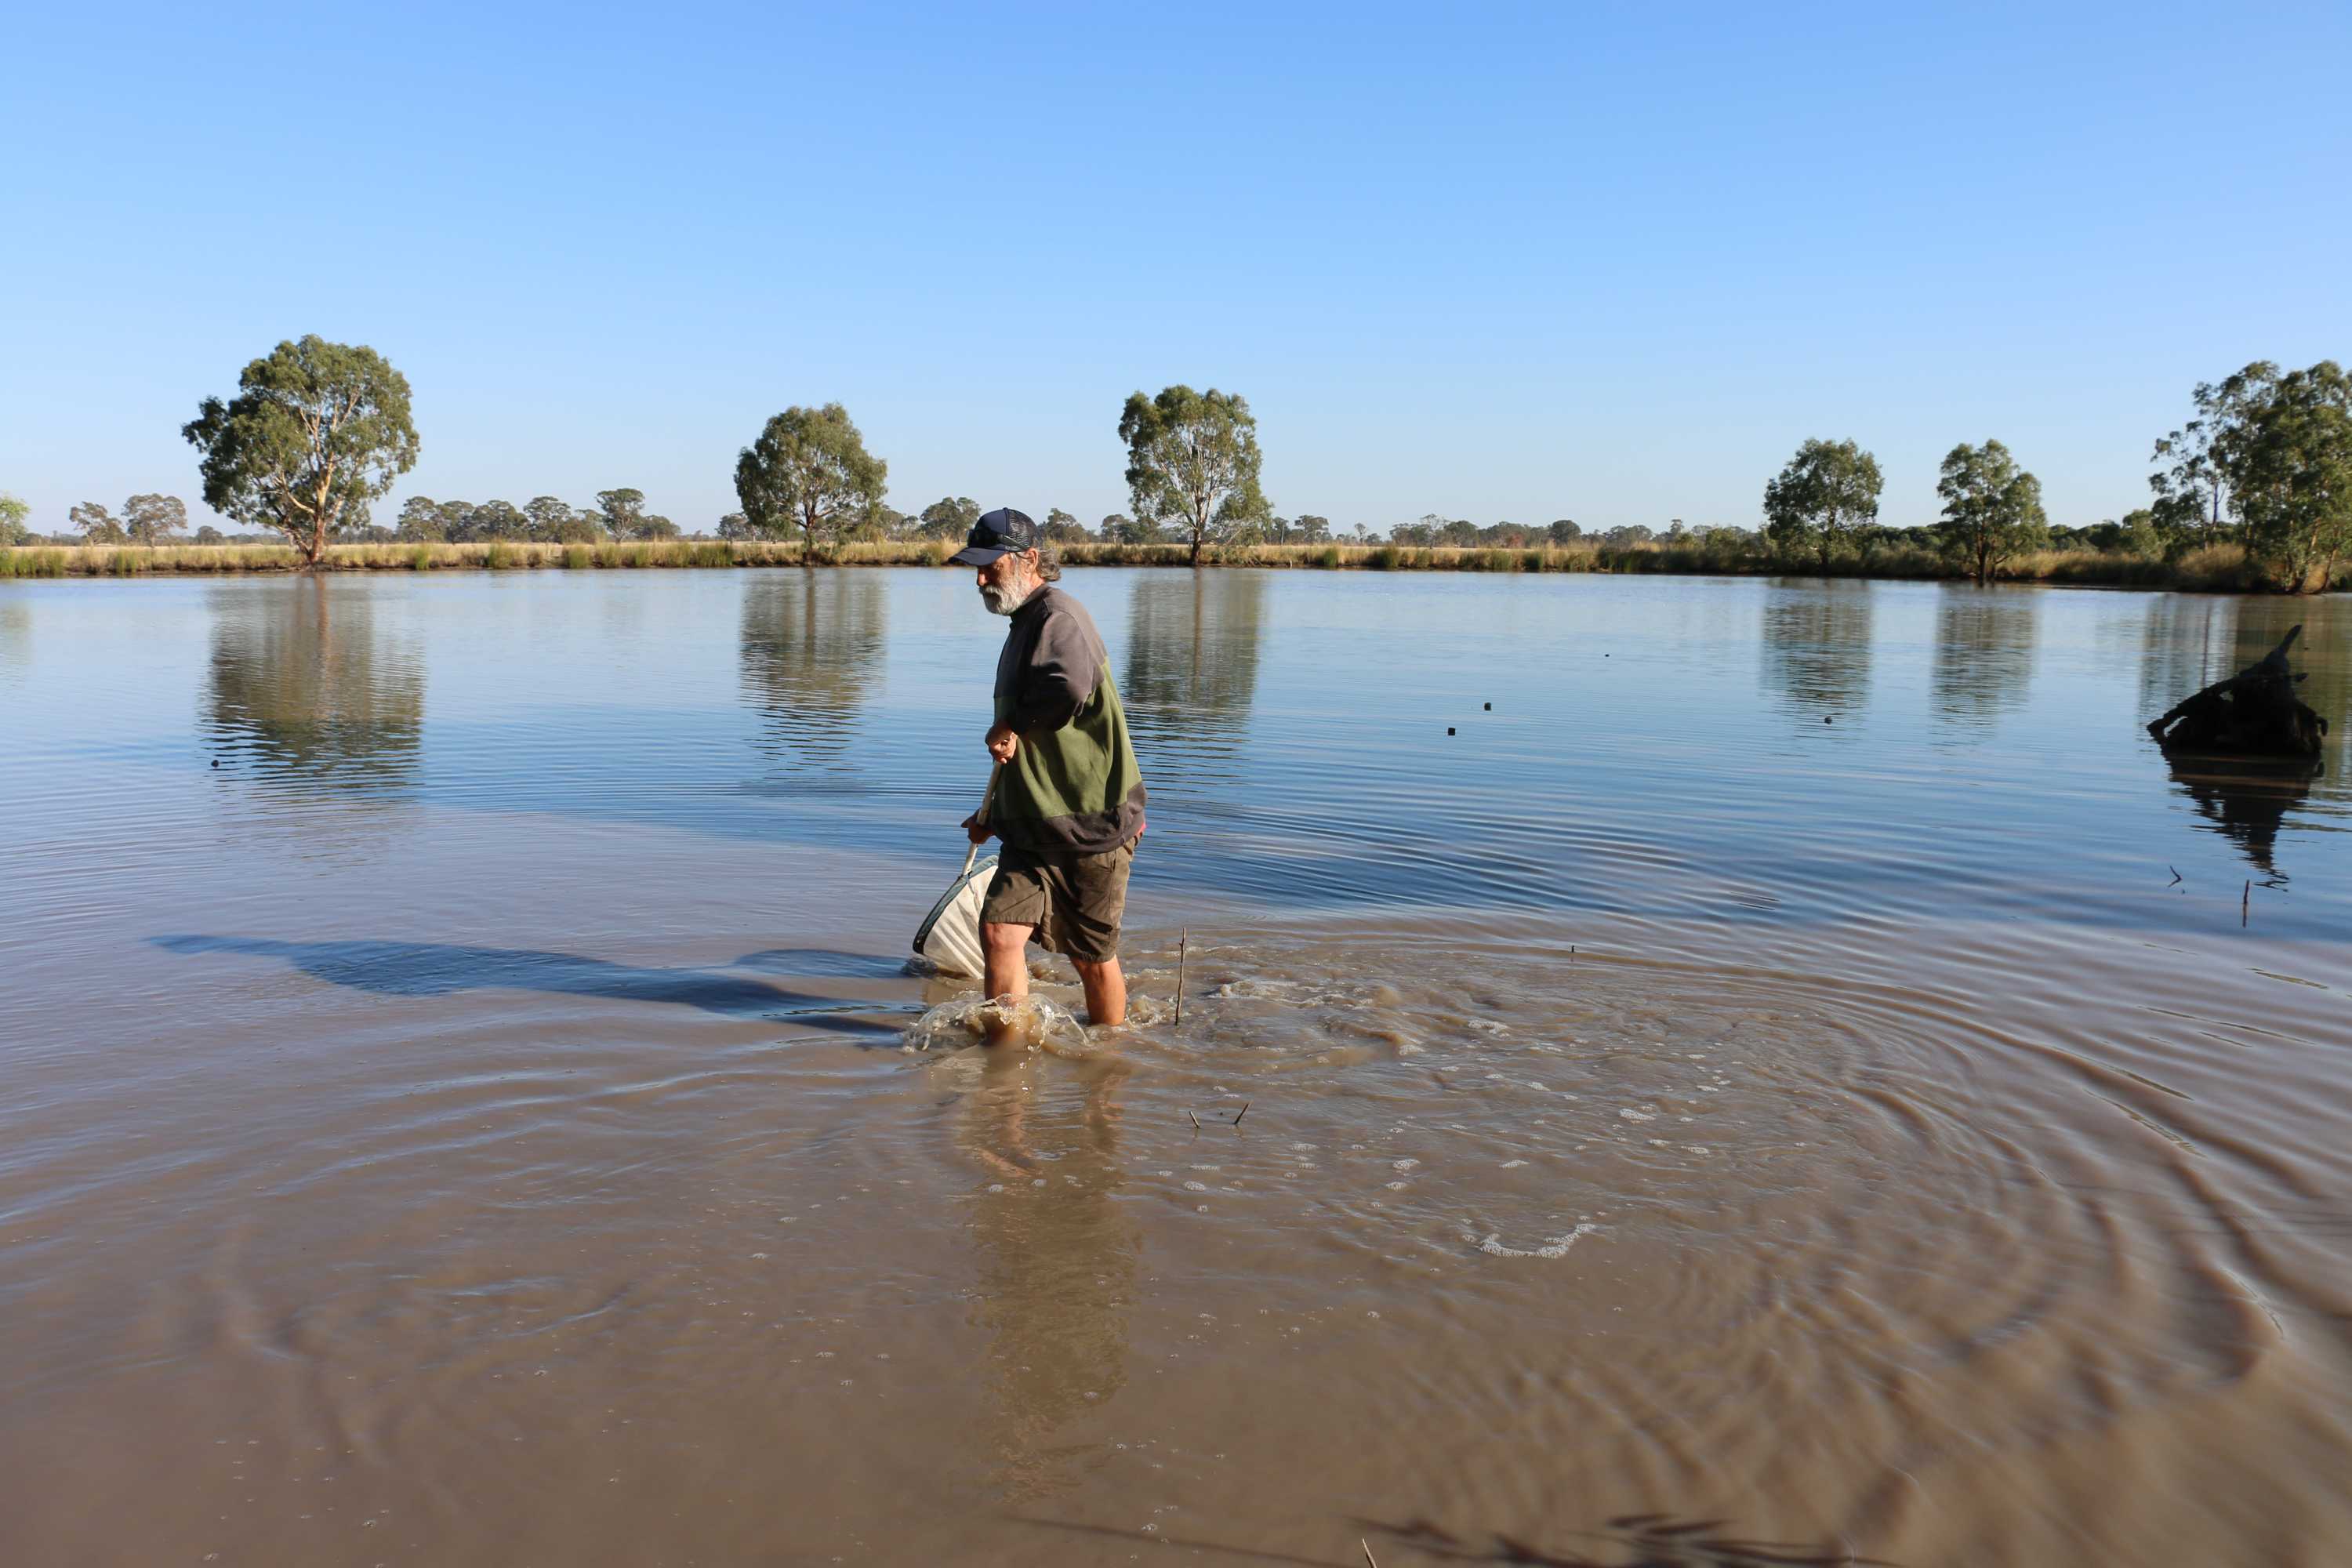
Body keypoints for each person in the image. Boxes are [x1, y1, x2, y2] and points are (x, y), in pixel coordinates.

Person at [950, 507, 1147, 1034]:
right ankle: (1006, 1060)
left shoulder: (1058, 618)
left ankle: (1107, 1067)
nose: (979, 579)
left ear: (1028, 559)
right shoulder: (1024, 623)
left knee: (1090, 957)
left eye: (989, 566)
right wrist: (995, 814)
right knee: (998, 934)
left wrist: (1010, 721)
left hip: (1092, 824)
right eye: (975, 567)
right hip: (1035, 828)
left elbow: (1067, 691)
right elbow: (1032, 748)